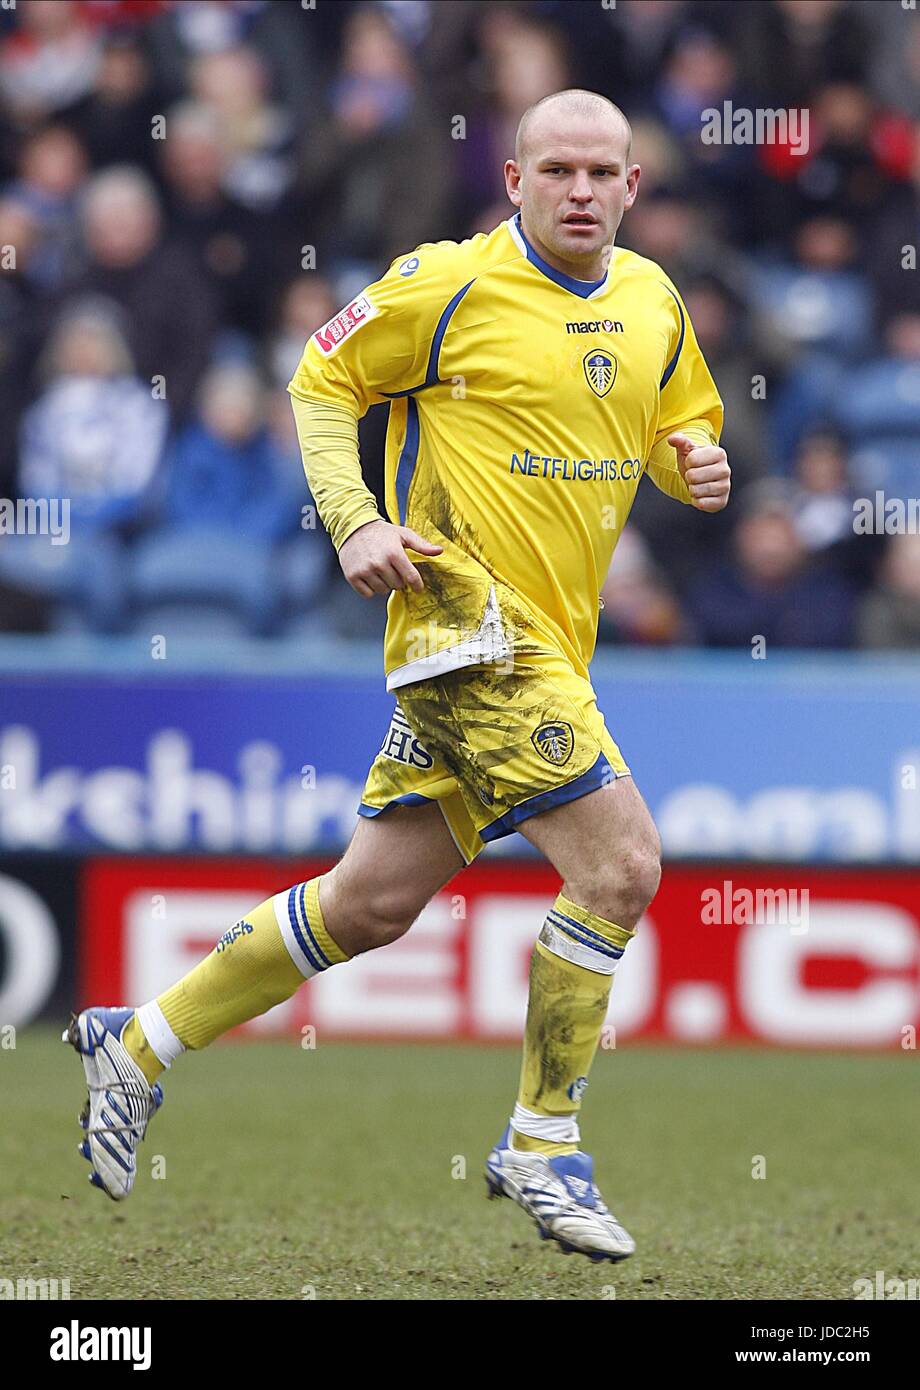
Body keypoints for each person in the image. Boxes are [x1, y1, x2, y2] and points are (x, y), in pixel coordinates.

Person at [65, 89, 730, 1264]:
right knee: (620, 865)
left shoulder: (652, 301)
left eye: (601, 173)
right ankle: (542, 1141)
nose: (579, 191)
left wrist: (696, 465)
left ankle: (140, 1042)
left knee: (369, 903)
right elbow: (320, 380)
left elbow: (673, 435)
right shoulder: (446, 283)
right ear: (512, 181)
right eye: (556, 170)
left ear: (634, 188)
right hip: (464, 629)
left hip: (550, 647)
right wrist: (356, 519)